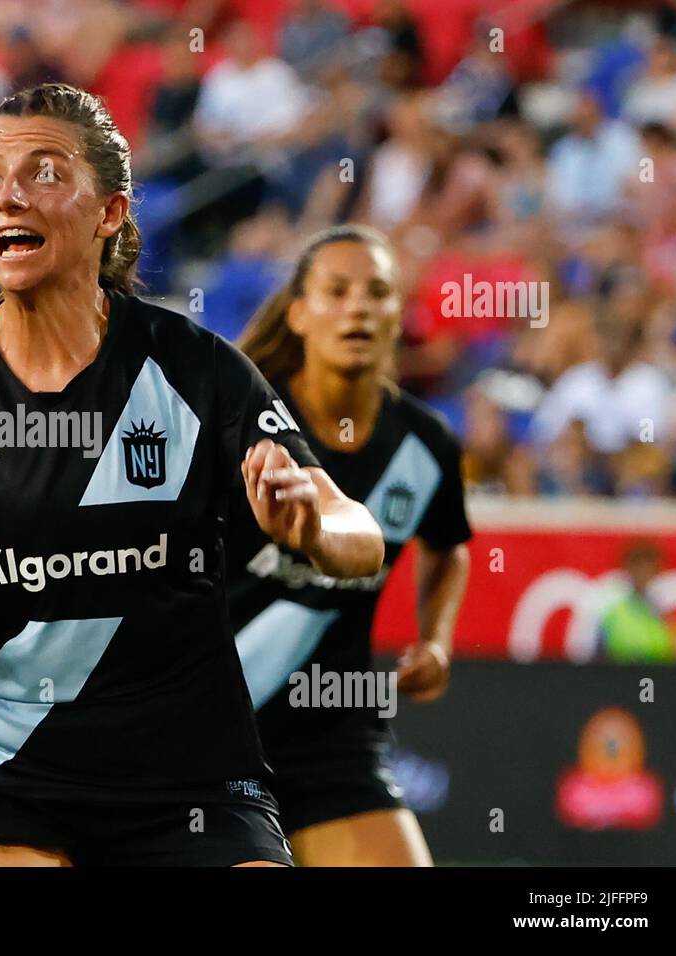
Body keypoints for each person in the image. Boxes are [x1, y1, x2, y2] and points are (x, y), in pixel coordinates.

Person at [0, 83, 384, 868]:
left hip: (189, 773)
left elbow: (359, 535)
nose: (10, 195)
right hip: (0, 767)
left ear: (111, 212)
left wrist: (313, 528)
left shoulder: (195, 371)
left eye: (45, 172)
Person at [229, 224, 471, 866]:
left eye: (378, 292)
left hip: (332, 737)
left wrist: (436, 637)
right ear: (299, 314)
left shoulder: (426, 446)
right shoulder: (242, 421)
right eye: (336, 291)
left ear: (398, 315)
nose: (358, 307)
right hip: (210, 736)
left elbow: (449, 547)